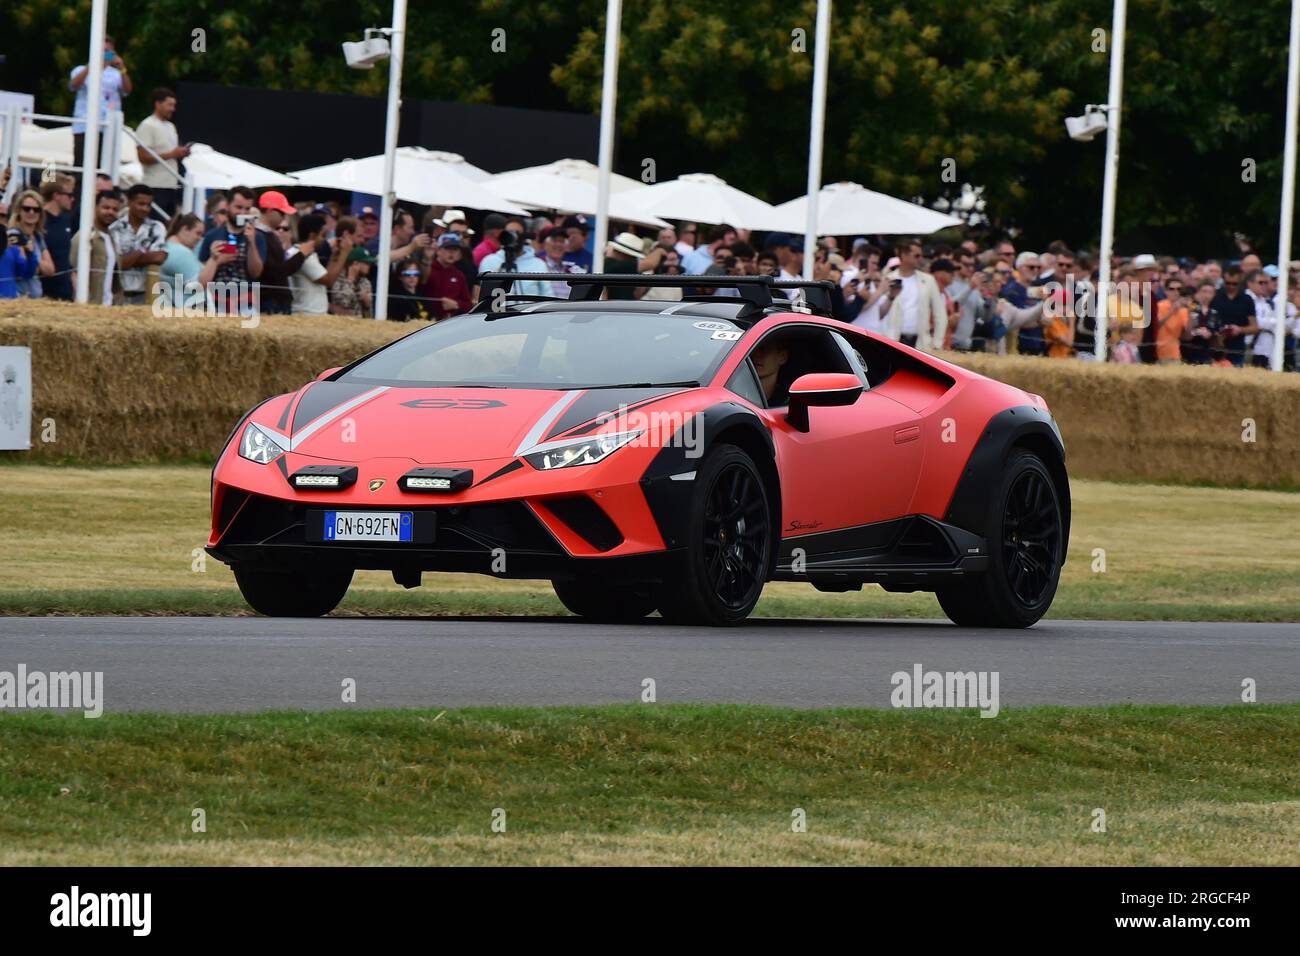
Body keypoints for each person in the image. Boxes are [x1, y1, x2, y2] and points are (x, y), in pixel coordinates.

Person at [69, 36, 133, 181]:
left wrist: (122, 67)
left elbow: (127, 90)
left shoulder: (116, 74)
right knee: (82, 167)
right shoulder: (81, 69)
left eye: (108, 51)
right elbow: (73, 85)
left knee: (105, 170)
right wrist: (92, 64)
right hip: (84, 126)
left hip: (108, 128)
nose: (105, 54)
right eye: (102, 50)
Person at [197, 185, 265, 315]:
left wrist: (251, 243)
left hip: (246, 303)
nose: (242, 213)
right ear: (227, 206)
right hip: (216, 301)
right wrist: (215, 259)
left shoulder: (258, 237)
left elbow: (256, 272)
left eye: (247, 208)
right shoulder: (212, 235)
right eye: (238, 207)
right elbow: (201, 282)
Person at [881, 239, 948, 350]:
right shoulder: (888, 279)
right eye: (916, 256)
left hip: (920, 343)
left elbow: (940, 313)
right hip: (892, 340)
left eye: (921, 255)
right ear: (903, 255)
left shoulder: (928, 280)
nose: (920, 259)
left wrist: (937, 343)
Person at [134, 87, 190, 218]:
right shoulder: (147, 125)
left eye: (174, 105)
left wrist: (181, 153)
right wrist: (172, 154)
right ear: (157, 104)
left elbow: (172, 153)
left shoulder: (171, 127)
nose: (172, 109)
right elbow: (143, 156)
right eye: (169, 105)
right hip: (155, 185)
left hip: (171, 185)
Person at [109, 183, 168, 305]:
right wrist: (142, 251)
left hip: (145, 293)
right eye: (141, 204)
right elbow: (118, 265)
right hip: (118, 293)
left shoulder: (156, 227)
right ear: (129, 202)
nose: (145, 209)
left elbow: (159, 257)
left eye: (148, 205)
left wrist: (129, 258)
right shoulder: (115, 228)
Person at [159, 212, 231, 308]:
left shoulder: (169, 247)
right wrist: (214, 260)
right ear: (185, 229)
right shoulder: (181, 253)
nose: (199, 238)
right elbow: (198, 286)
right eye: (198, 233)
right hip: (187, 312)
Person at [253, 190, 304, 315]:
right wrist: (301, 255)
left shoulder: (268, 235)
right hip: (270, 301)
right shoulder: (260, 236)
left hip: (274, 300)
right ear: (270, 211)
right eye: (282, 212)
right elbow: (274, 271)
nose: (284, 217)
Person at [289, 214, 351, 315]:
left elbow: (325, 275)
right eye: (323, 235)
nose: (324, 240)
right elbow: (328, 281)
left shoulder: (303, 253)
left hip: (311, 314)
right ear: (312, 236)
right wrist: (344, 254)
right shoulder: (305, 256)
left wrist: (333, 258)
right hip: (307, 314)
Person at [70, 189, 123, 306]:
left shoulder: (112, 238)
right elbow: (73, 273)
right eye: (106, 207)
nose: (110, 212)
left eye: (115, 209)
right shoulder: (85, 237)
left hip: (109, 307)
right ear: (95, 207)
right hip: (91, 306)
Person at [6, 189, 54, 298]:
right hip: (18, 298)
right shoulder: (13, 235)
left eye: (36, 209)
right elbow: (28, 269)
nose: (31, 212)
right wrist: (38, 261)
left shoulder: (38, 237)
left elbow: (50, 269)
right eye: (26, 209)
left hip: (35, 299)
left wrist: (33, 256)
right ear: (19, 211)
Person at [40, 177, 77, 300]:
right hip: (44, 292)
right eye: (70, 195)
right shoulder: (39, 219)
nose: (73, 199)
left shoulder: (66, 219)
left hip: (65, 291)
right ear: (57, 196)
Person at [423, 233, 475, 318]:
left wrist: (456, 305)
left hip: (451, 321)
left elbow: (468, 304)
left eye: (455, 249)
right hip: (427, 320)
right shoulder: (428, 269)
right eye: (447, 249)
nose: (452, 253)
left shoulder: (459, 275)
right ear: (438, 250)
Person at [330, 247, 376, 317]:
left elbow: (369, 316)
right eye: (366, 263)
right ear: (355, 263)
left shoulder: (366, 282)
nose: (369, 266)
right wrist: (350, 280)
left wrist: (367, 305)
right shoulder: (338, 280)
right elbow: (342, 304)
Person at [1, 217, 39, 300]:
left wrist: (30, 253)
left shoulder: (12, 247)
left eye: (4, 216)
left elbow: (27, 273)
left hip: (9, 303)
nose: (2, 220)